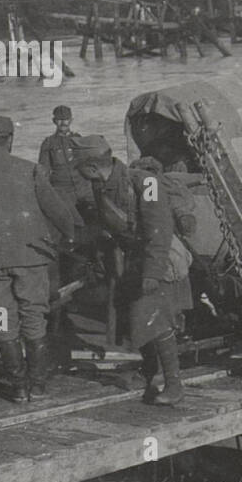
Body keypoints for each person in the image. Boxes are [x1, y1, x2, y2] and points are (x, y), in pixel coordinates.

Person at [0, 116, 77, 403]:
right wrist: (67, 238)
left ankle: (18, 387)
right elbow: (59, 212)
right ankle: (39, 385)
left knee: (2, 322)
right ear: (10, 139)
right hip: (31, 257)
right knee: (34, 317)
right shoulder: (30, 170)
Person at [76, 138, 188, 405]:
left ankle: (174, 385)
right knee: (138, 322)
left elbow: (158, 231)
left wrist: (152, 273)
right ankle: (154, 376)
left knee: (156, 321)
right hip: (129, 262)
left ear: (91, 167)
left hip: (155, 262)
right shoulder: (100, 185)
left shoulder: (144, 182)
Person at [38, 105, 92, 211]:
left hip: (84, 191)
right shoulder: (48, 143)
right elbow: (43, 171)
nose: (63, 123)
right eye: (59, 119)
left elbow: (89, 165)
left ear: (71, 120)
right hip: (63, 193)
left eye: (66, 119)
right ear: (54, 121)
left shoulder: (78, 139)